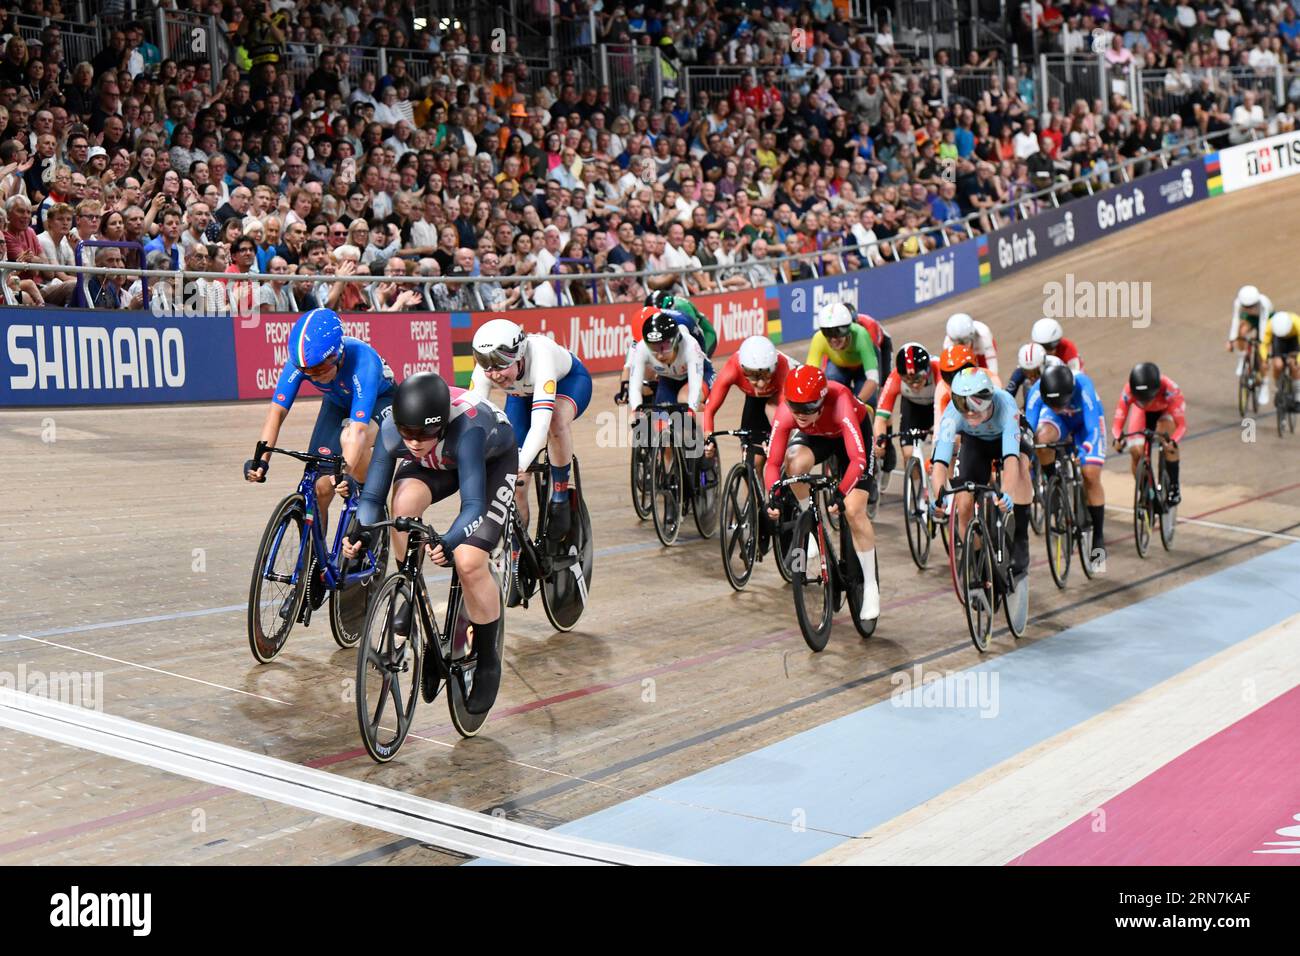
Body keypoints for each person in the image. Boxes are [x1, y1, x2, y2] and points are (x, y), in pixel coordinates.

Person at [344, 373, 515, 716]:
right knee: (402, 508)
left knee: (468, 560)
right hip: (441, 461)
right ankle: (408, 588)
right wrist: (361, 530)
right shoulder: (398, 430)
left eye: (423, 434)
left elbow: (473, 507)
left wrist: (450, 541)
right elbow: (374, 496)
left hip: (490, 461)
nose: (415, 442)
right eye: (409, 434)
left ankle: (488, 661)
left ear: (440, 425)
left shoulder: (467, 431)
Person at [243, 309, 395, 611]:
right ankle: (314, 561)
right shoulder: (303, 362)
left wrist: (346, 471)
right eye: (306, 371)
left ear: (337, 355)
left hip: (380, 403)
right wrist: (262, 457)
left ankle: (367, 504)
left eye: (319, 369)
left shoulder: (362, 361)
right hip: (338, 403)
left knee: (350, 448)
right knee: (319, 487)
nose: (312, 374)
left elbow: (359, 430)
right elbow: (277, 411)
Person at [763, 364, 881, 622]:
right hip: (818, 436)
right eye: (796, 408)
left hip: (853, 438)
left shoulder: (840, 401)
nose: (800, 415)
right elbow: (772, 463)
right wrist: (773, 494)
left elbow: (858, 459)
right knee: (793, 465)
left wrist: (840, 492)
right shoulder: (788, 412)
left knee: (853, 509)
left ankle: (870, 583)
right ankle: (811, 521)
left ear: (822, 400)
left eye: (807, 408)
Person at [468, 318, 592, 545]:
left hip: (569, 383)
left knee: (555, 420)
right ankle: (517, 550)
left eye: (502, 364)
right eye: (488, 366)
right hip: (520, 396)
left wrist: (520, 463)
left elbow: (540, 426)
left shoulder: (541, 357)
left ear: (519, 354)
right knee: (517, 484)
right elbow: (471, 417)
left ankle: (560, 494)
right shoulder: (487, 366)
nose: (494, 374)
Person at [928, 367, 1033, 585]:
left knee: (1022, 466)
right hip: (977, 444)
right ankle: (979, 567)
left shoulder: (1005, 405)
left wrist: (1008, 492)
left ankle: (1021, 538)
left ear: (989, 398)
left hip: (1010, 439)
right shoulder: (952, 413)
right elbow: (940, 462)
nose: (969, 412)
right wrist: (939, 497)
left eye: (976, 405)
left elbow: (1011, 457)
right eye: (962, 405)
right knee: (963, 504)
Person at [1028, 363, 1108, 556]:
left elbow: (1092, 429)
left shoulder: (1083, 387)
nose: (1056, 408)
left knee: (1090, 474)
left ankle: (1098, 535)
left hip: (1085, 424)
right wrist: (1026, 454)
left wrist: (1084, 451)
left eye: (1059, 404)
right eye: (1051, 405)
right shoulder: (1037, 390)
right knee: (1041, 439)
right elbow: (1028, 429)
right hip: (1060, 421)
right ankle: (1052, 482)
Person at [701, 334, 797, 475]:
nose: (761, 384)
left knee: (778, 451)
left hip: (781, 398)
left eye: (767, 375)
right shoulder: (732, 368)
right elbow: (709, 409)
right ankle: (754, 496)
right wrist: (708, 439)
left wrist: (777, 443)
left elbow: (785, 416)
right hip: (754, 401)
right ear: (743, 368)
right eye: (755, 377)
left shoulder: (784, 369)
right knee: (752, 465)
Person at [1112, 362, 1185, 505]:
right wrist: (1117, 439)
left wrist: (1173, 441)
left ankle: (1174, 487)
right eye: (1140, 398)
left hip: (1165, 410)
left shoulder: (1170, 390)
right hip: (1142, 413)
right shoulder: (1128, 391)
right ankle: (1146, 492)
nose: (1144, 402)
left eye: (1147, 398)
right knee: (1135, 450)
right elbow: (1117, 424)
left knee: (1168, 438)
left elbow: (1181, 425)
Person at [872, 343, 940, 481]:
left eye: (918, 378)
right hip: (913, 408)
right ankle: (916, 496)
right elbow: (880, 417)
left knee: (941, 453)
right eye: (907, 379)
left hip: (938, 407)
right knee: (908, 454)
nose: (914, 384)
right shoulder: (894, 377)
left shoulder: (939, 370)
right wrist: (879, 441)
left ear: (927, 371)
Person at [805, 301, 880, 406]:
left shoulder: (861, 335)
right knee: (831, 391)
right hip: (838, 366)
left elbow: (873, 379)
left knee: (870, 400)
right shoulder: (819, 338)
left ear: (848, 329)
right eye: (828, 333)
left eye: (838, 332)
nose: (834, 339)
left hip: (861, 366)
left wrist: (857, 403)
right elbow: (810, 376)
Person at [1226, 284, 1272, 403]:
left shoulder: (1264, 303)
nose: (1248, 308)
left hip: (1266, 319)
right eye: (1245, 306)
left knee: (1262, 355)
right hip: (1251, 319)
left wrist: (1263, 344)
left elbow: (1263, 324)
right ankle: (1242, 358)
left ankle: (1265, 385)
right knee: (1241, 332)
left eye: (1251, 306)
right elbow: (1235, 320)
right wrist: (1231, 340)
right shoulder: (1238, 303)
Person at [651, 290, 717, 358]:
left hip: (705, 334)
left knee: (698, 358)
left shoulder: (684, 308)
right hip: (682, 332)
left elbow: (692, 335)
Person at [942, 312, 1000, 384]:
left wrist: (993, 384)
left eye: (965, 341)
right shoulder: (948, 344)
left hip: (981, 352)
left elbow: (992, 368)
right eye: (958, 342)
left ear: (972, 335)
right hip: (971, 351)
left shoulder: (984, 336)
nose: (962, 345)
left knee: (984, 374)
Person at [1262, 311, 1300, 411]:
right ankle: (1279, 387)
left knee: (1295, 366)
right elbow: (1264, 344)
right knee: (1278, 364)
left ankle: (1298, 396)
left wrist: (1298, 360)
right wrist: (1265, 359)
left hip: (1294, 340)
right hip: (1278, 340)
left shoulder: (1297, 323)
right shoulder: (1271, 324)